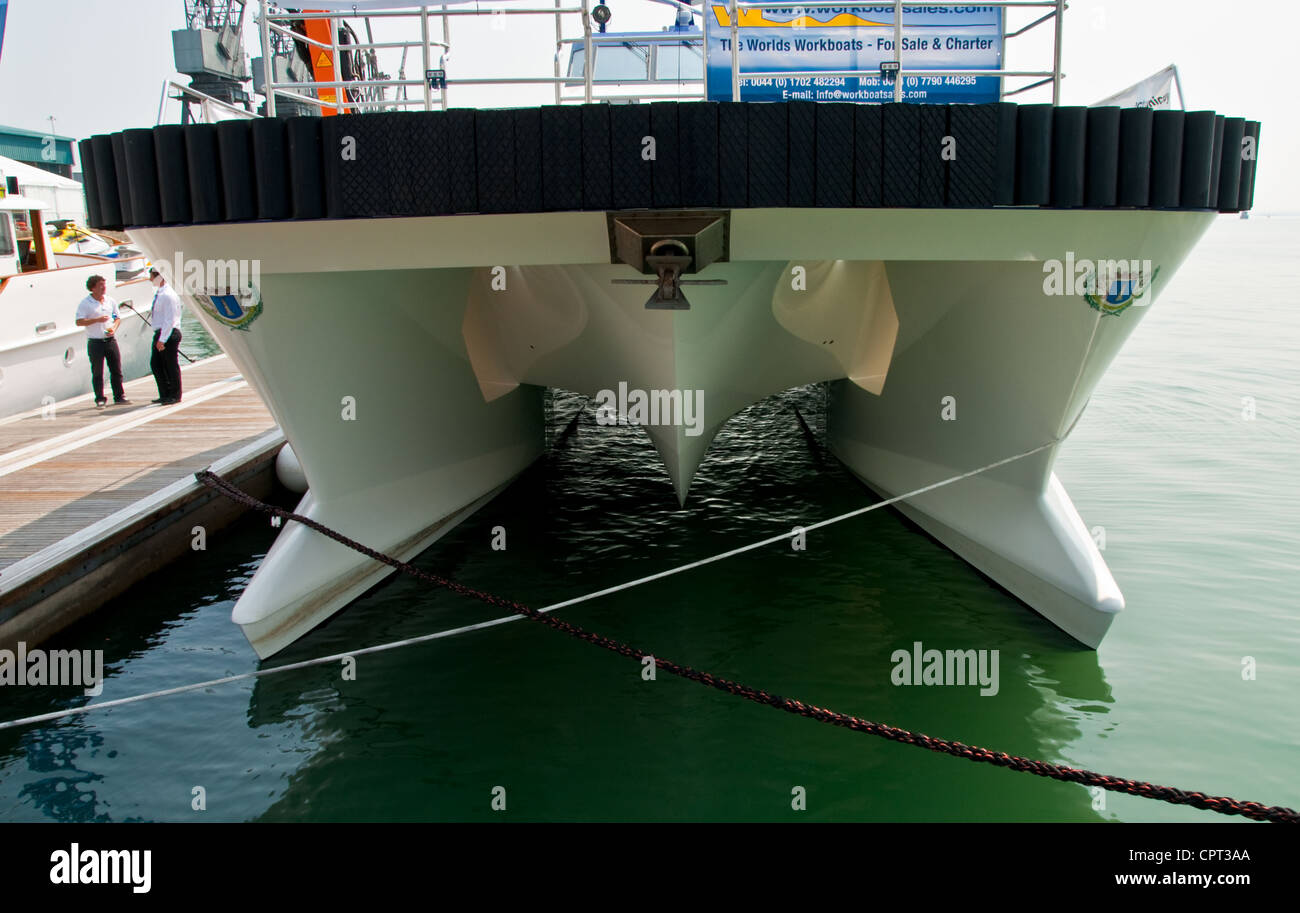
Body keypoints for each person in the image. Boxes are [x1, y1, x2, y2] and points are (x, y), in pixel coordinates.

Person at [74, 274, 131, 408]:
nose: (104, 288)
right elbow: (79, 321)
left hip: (110, 340)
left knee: (116, 369)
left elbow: (117, 317)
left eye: (104, 285)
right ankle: (100, 398)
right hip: (95, 342)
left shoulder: (110, 301)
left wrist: (113, 328)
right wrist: (96, 320)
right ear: (93, 288)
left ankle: (119, 396)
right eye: (100, 285)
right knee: (98, 372)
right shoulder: (85, 303)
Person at [148, 267, 184, 405]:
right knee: (157, 364)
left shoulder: (168, 294)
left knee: (170, 364)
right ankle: (165, 393)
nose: (150, 279)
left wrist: (162, 339)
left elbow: (170, 319)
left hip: (168, 333)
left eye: (152, 276)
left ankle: (175, 394)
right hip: (161, 332)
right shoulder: (160, 293)